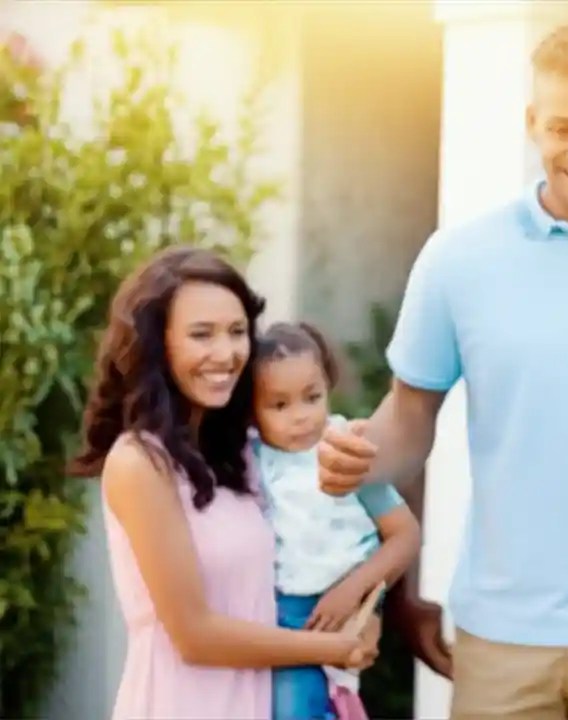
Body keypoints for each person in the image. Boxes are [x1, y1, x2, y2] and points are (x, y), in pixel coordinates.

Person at [316, 22, 568, 720]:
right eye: (562, 127)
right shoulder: (458, 259)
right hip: (500, 633)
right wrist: (356, 459)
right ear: (532, 124)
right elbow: (409, 421)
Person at [68, 247, 379, 720]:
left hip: (261, 702)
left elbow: (323, 545)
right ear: (159, 344)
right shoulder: (140, 462)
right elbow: (194, 636)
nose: (226, 353)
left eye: (237, 332)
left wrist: (364, 613)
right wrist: (330, 646)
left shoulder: (245, 451)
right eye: (201, 334)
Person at [250, 321, 421, 720]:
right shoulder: (252, 459)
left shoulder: (344, 452)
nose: (301, 416)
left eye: (312, 397)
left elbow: (405, 536)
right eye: (279, 405)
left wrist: (355, 593)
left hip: (344, 609)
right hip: (279, 615)